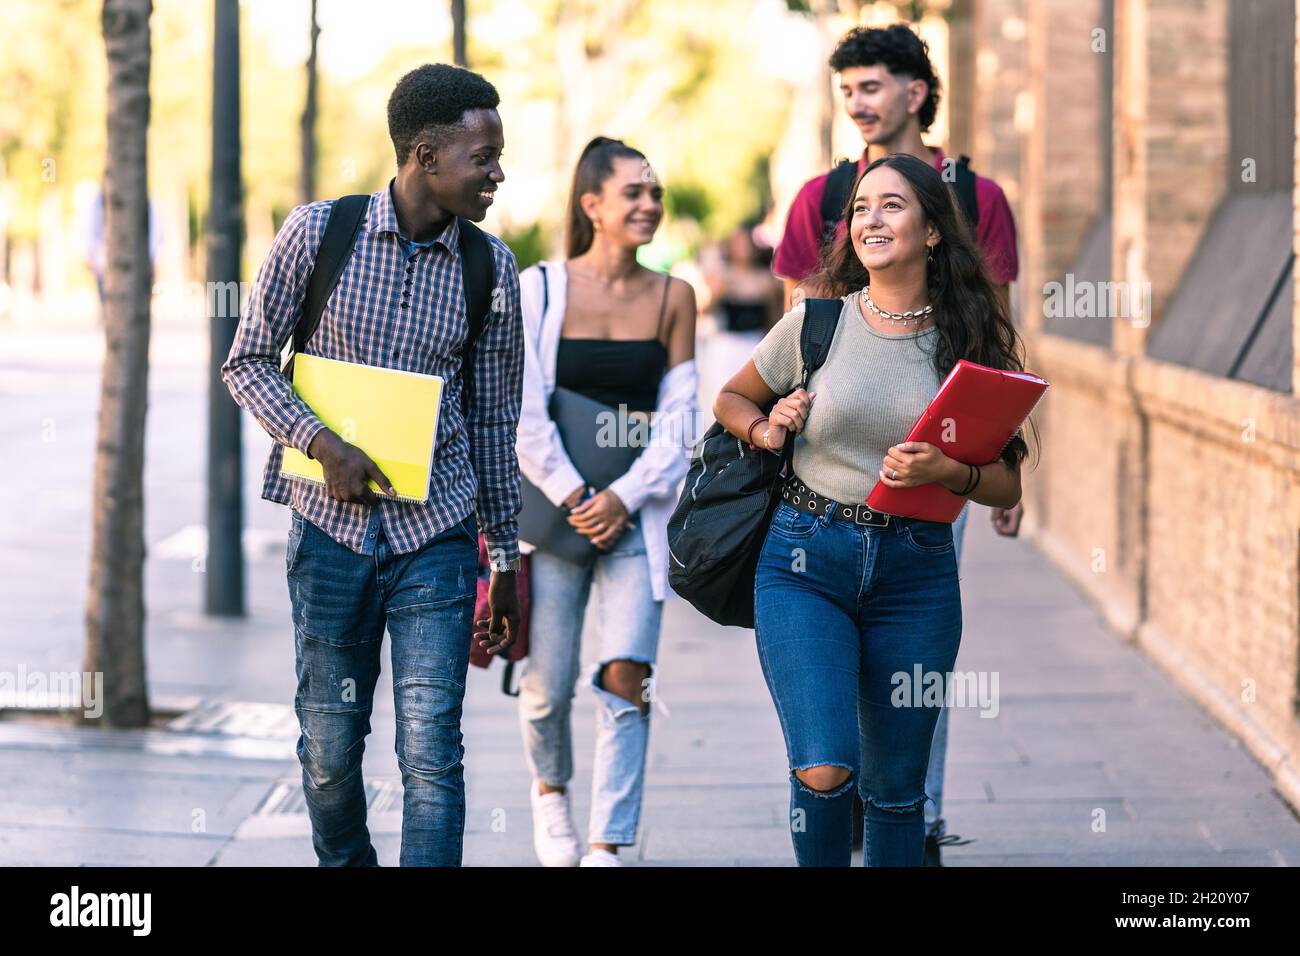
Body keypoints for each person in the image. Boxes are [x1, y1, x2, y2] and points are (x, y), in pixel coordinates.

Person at [221, 64, 524, 867]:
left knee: (431, 753)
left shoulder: (492, 271)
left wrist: (504, 560)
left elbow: (495, 422)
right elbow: (247, 362)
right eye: (483, 156)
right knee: (328, 751)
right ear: (424, 155)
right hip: (329, 537)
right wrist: (324, 446)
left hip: (439, 539)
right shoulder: (321, 233)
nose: (498, 172)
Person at [715, 152, 1036, 866]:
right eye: (861, 208)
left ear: (930, 232)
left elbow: (1007, 485)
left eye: (891, 205)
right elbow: (733, 399)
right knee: (825, 767)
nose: (870, 219)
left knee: (896, 794)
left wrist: (950, 469)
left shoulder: (970, 342)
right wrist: (771, 427)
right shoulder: (816, 324)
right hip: (804, 562)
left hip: (916, 576)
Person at [774, 23, 1026, 860]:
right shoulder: (819, 196)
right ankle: (854, 794)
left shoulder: (980, 197)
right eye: (846, 90)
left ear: (916, 92)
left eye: (871, 86)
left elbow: (994, 333)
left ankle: (916, 821)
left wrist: (988, 468)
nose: (857, 103)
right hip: (824, 482)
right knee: (830, 720)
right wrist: (789, 411)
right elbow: (797, 324)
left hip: (927, 478)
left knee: (907, 676)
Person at [514, 137, 698, 867]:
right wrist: (576, 495)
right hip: (555, 520)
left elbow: (681, 419)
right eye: (634, 192)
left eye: (655, 191)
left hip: (636, 518)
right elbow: (521, 410)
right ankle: (550, 794)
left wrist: (621, 498)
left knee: (628, 677)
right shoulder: (541, 288)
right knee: (545, 690)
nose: (650, 204)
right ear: (592, 206)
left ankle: (606, 844)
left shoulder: (674, 295)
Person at [696, 225, 784, 424]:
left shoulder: (766, 280)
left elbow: (773, 319)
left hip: (755, 344)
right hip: (726, 345)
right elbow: (705, 309)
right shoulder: (722, 276)